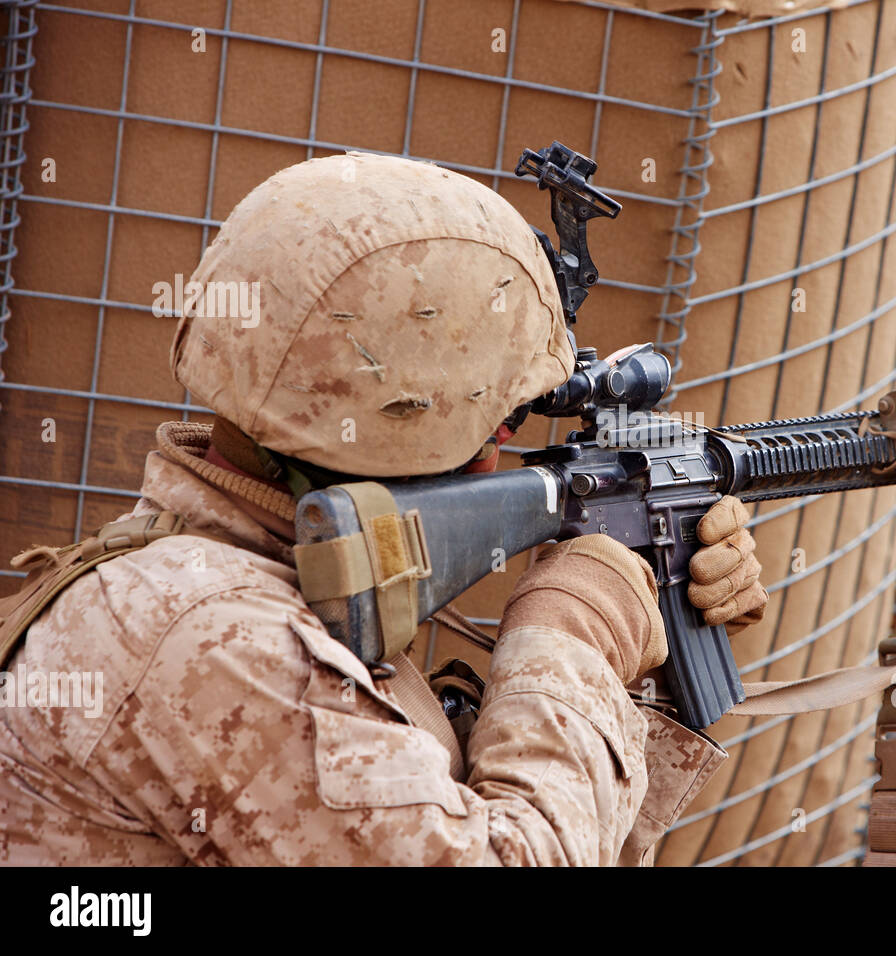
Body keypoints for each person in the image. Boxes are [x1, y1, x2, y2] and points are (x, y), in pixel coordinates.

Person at [0, 153, 767, 866]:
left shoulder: (245, 575)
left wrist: (648, 636)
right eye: (506, 422)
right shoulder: (212, 642)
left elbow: (495, 820)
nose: (504, 445)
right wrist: (573, 635)